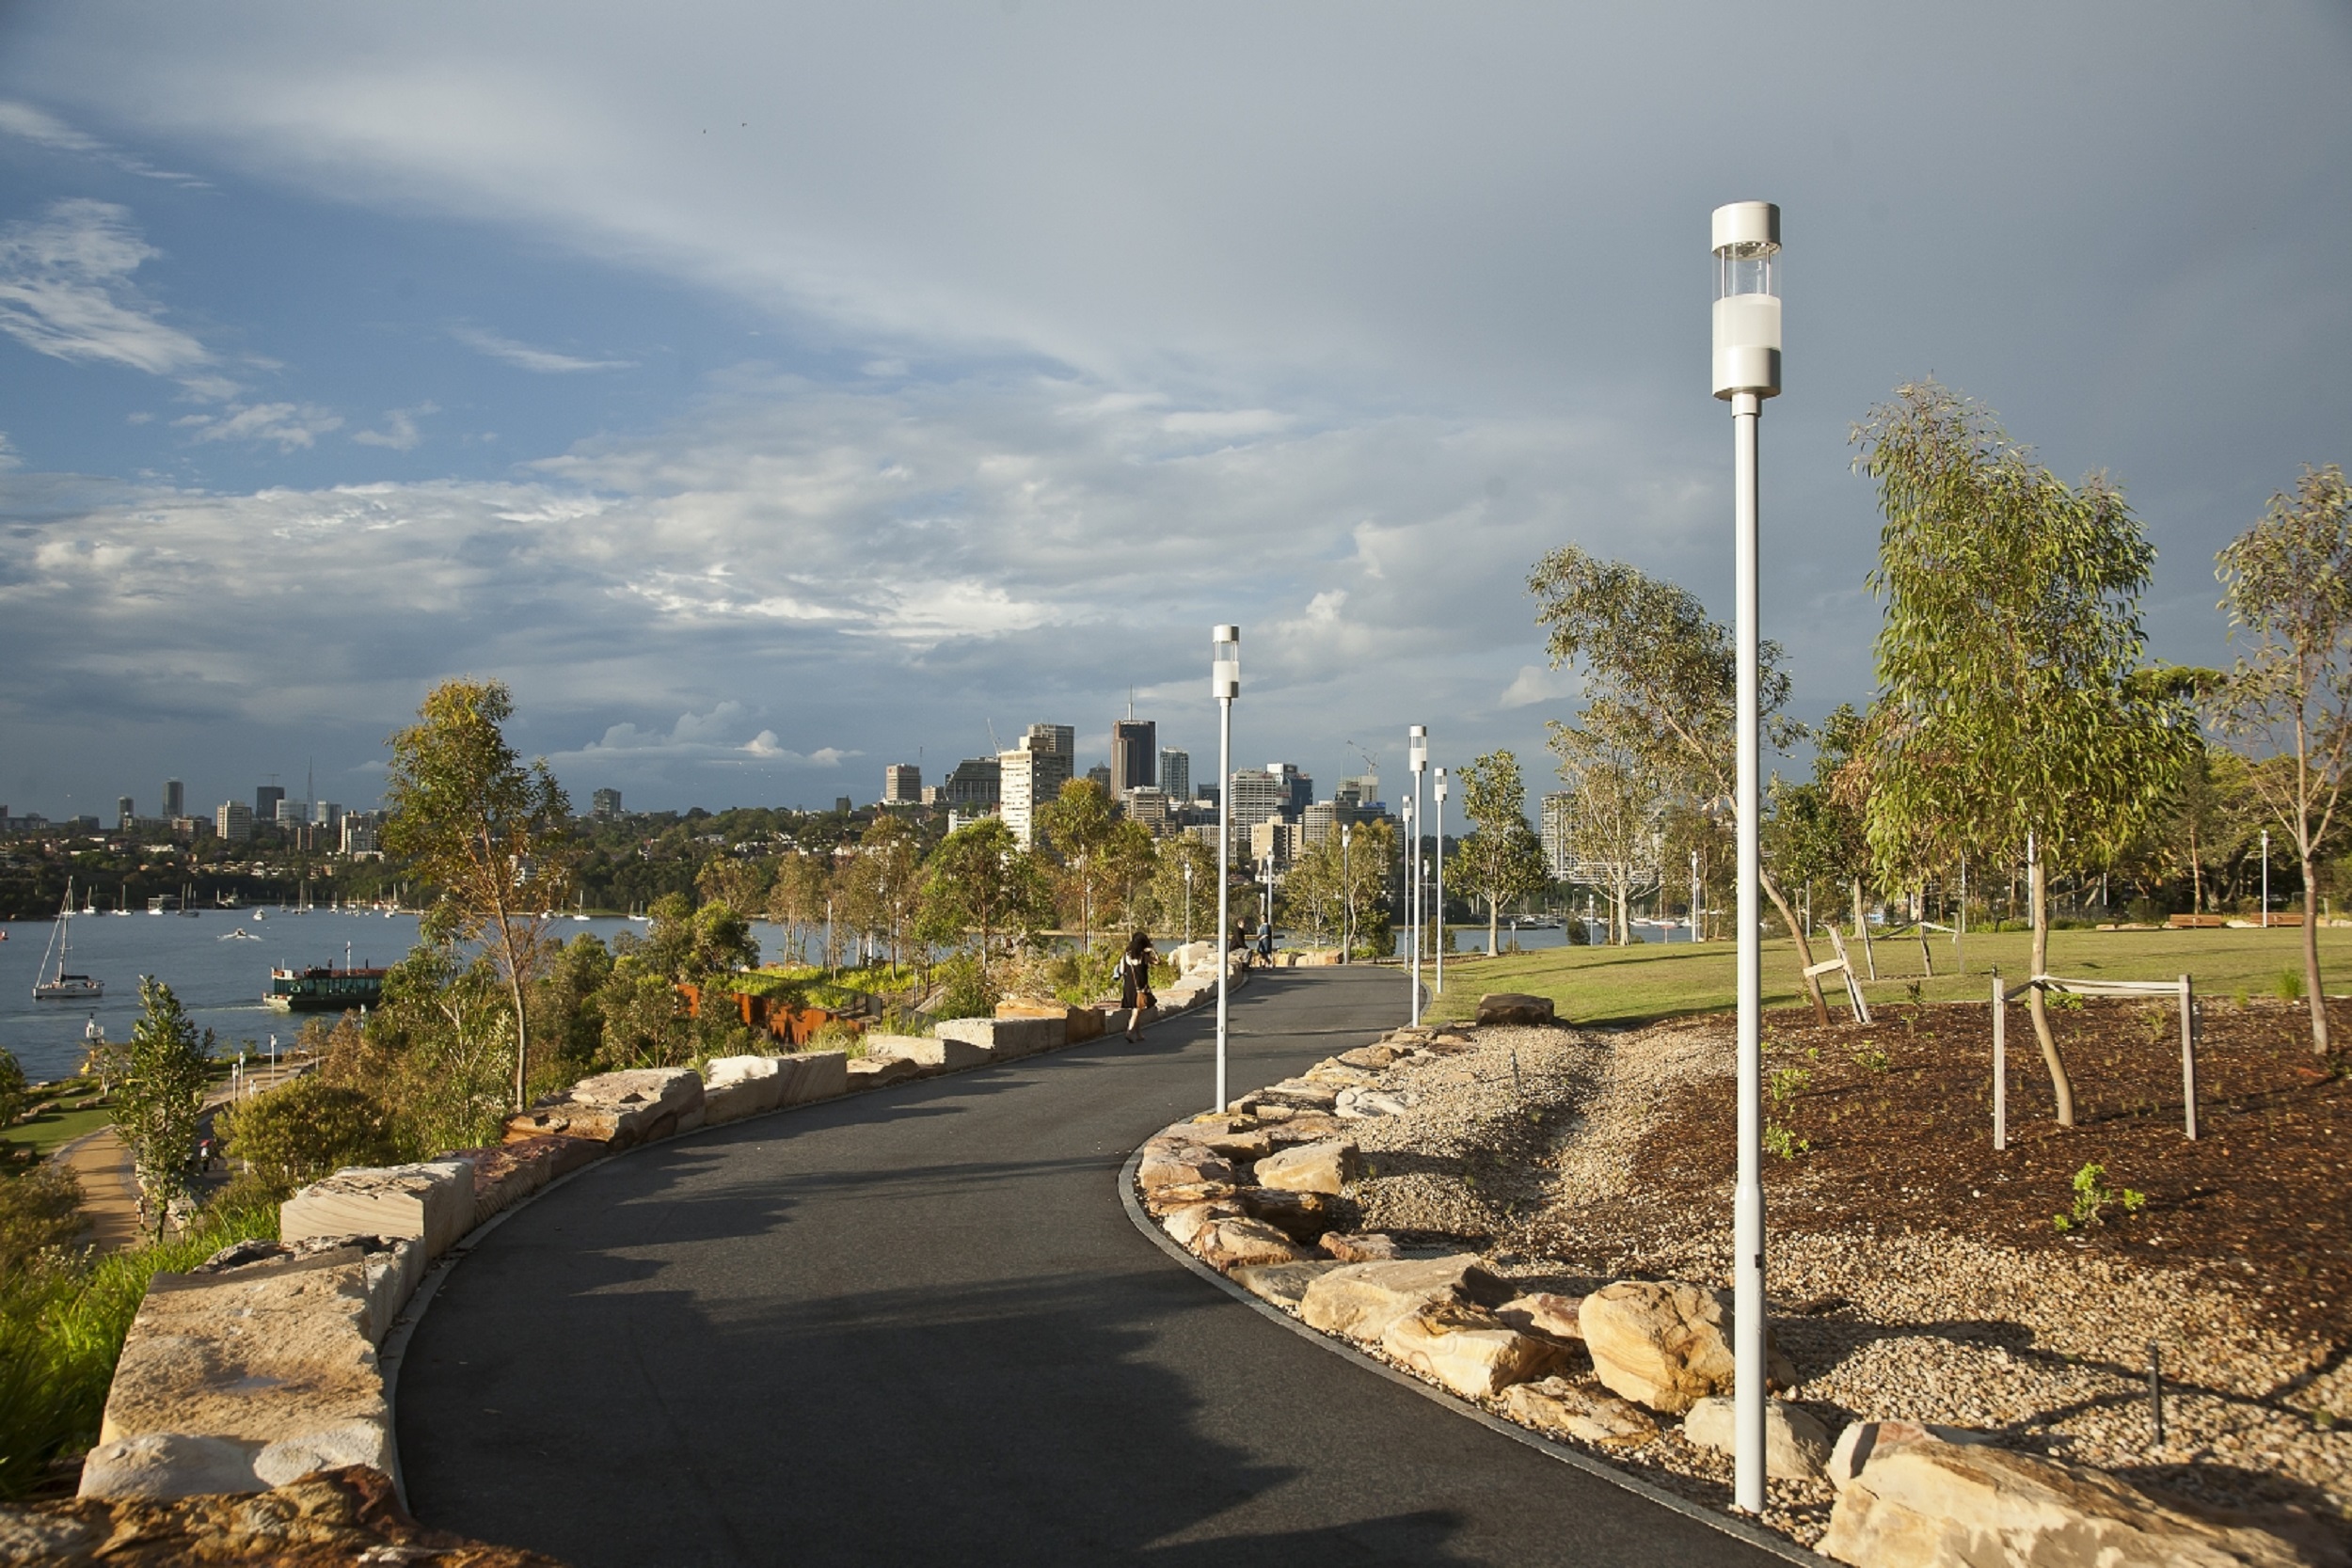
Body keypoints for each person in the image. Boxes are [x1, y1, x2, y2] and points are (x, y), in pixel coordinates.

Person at [1118, 931, 1156, 1042]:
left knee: (1136, 1009)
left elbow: (1121, 970)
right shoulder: (1143, 957)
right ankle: (1129, 1031)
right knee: (1137, 1010)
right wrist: (1153, 951)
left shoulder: (1126, 955)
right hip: (1141, 986)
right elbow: (1157, 962)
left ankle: (1138, 1034)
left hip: (1129, 986)